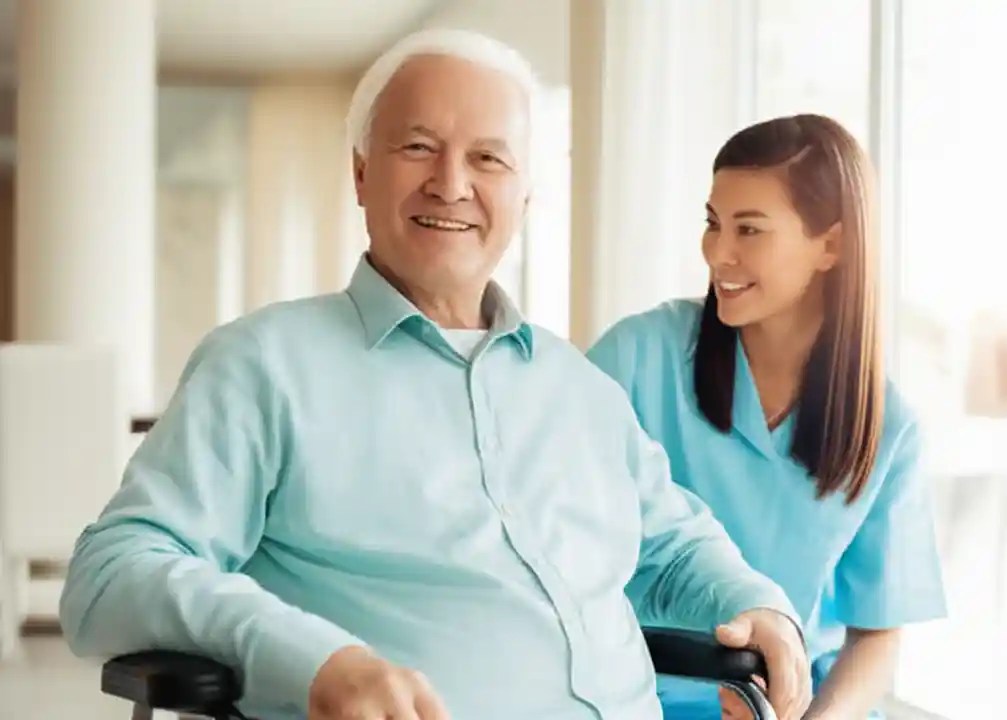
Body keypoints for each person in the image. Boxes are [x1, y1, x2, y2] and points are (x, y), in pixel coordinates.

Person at [59, 29, 812, 720]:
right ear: (360, 173)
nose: (451, 184)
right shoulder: (261, 365)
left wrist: (758, 604)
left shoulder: (581, 391)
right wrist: (316, 661)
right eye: (418, 147)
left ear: (525, 194)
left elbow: (675, 547)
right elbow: (112, 574)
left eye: (489, 158)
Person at [587, 115, 947, 719]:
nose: (716, 253)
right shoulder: (637, 357)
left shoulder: (891, 427)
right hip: (640, 696)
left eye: (749, 230)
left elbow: (878, 630)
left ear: (830, 245)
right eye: (713, 223)